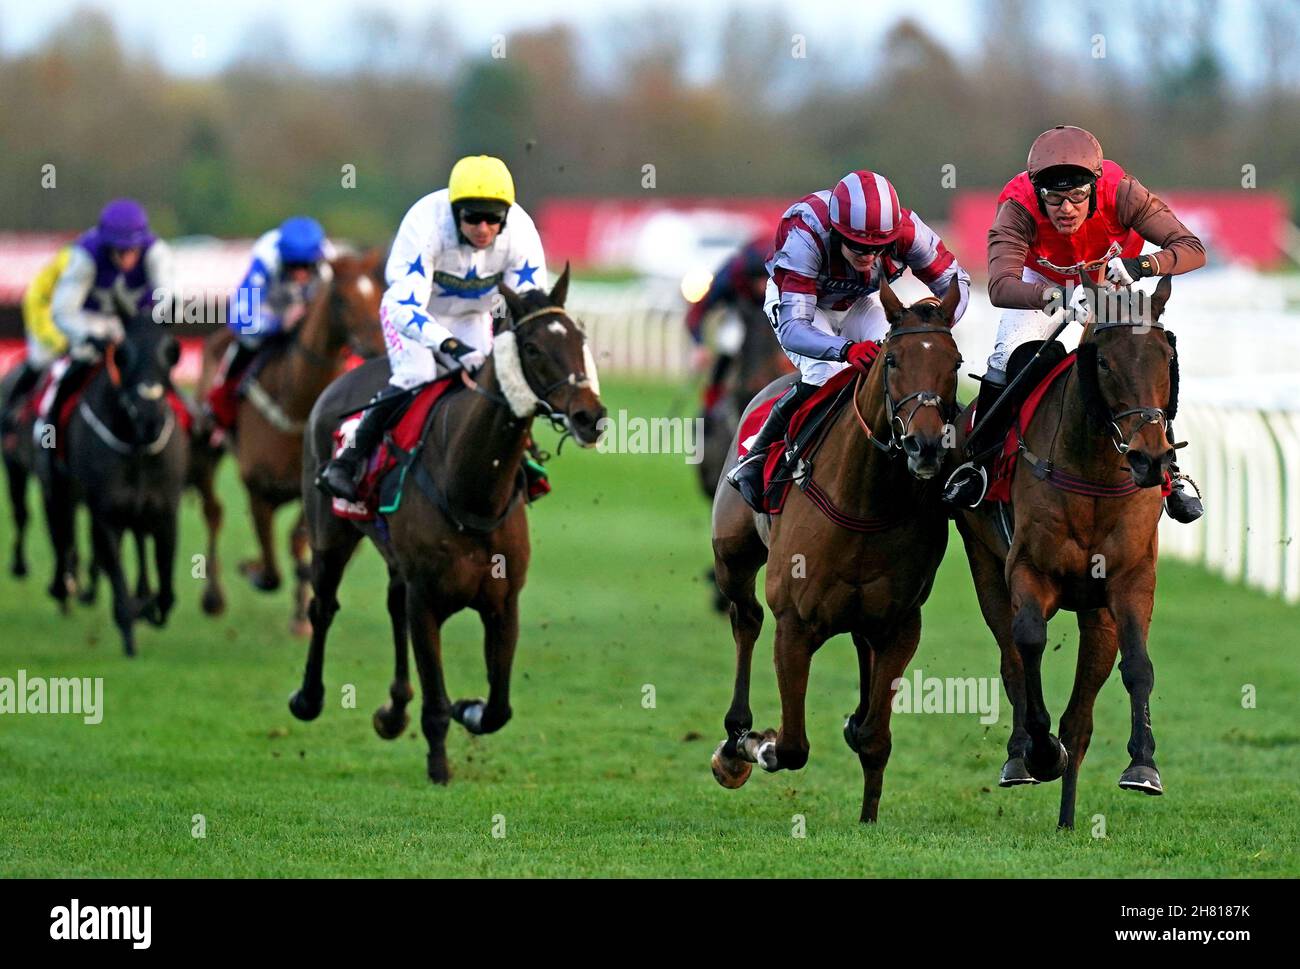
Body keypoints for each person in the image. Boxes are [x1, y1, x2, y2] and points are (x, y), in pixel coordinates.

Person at [940, 125, 1206, 522]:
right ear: (1036, 191)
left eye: (1078, 196)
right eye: (1054, 198)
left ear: (1096, 187)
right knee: (1006, 358)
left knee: (1145, 355)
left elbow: (1191, 249)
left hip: (1110, 279)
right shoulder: (1017, 206)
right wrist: (1059, 298)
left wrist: (1142, 265)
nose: (1067, 209)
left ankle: (1169, 474)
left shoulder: (1122, 190)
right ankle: (980, 464)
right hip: (1041, 286)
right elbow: (1000, 286)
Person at [725, 169, 971, 510]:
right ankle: (757, 455)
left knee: (905, 365)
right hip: (803, 306)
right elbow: (795, 329)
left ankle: (943, 454)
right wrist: (845, 350)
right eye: (856, 245)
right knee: (826, 375)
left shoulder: (908, 231)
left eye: (877, 247)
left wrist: (934, 323)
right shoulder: (807, 232)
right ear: (837, 230)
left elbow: (957, 282)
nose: (868, 255)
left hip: (857, 303)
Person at [318, 154, 548, 501]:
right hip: (411, 313)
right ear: (456, 213)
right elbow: (406, 308)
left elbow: (529, 310)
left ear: (506, 217)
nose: (483, 229)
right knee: (418, 375)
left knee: (491, 384)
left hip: (471, 317)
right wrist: (453, 348)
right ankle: (348, 460)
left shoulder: (521, 234)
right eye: (473, 218)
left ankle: (517, 459)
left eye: (493, 219)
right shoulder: (425, 225)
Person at [36, 199, 174, 445]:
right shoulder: (85, 256)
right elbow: (63, 311)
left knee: (158, 375)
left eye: (132, 249)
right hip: (90, 325)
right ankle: (48, 432)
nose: (126, 257)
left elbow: (170, 299)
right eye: (119, 249)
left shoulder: (157, 252)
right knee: (65, 375)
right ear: (107, 244)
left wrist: (151, 326)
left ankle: (193, 433)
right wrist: (90, 336)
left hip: (135, 330)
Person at [207, 216, 334, 431]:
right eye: (293, 266)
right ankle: (220, 412)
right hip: (269, 314)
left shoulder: (329, 262)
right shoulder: (265, 258)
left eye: (306, 266)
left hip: (307, 318)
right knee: (248, 344)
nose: (300, 274)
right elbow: (240, 319)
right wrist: (278, 323)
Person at [685, 234, 772, 412]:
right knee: (730, 341)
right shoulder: (728, 277)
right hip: (740, 312)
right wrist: (699, 345)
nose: (763, 287)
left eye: (767, 281)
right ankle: (711, 403)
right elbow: (697, 311)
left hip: (776, 313)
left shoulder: (787, 271)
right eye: (759, 281)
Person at [0, 245, 73, 441]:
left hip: (77, 328)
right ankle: (11, 412)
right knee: (40, 362)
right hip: (45, 327)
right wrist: (56, 340)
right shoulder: (64, 265)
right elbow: (36, 303)